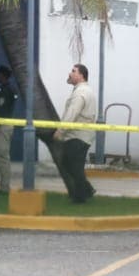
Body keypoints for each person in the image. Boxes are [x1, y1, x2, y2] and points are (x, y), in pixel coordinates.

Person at [56, 63, 97, 203]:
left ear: (81, 75)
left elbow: (72, 113)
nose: (70, 73)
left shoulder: (81, 93)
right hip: (82, 135)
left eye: (73, 71)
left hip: (78, 136)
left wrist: (60, 130)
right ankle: (85, 191)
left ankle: (81, 197)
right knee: (71, 164)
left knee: (72, 165)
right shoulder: (84, 90)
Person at [0, 64, 18, 193]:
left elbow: (1, 110)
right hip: (5, 124)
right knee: (2, 157)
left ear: (2, 75)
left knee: (2, 157)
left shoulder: (5, 90)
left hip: (2, 126)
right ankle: (4, 186)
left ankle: (5, 187)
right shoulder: (7, 88)